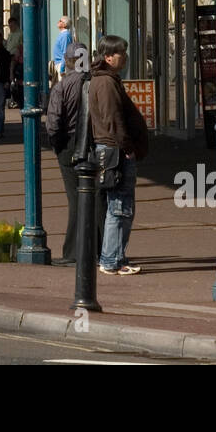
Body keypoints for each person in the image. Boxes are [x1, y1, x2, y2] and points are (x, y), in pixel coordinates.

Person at [89, 35, 150, 276]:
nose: (124, 56)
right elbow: (113, 119)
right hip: (114, 149)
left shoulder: (107, 80)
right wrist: (128, 147)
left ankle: (114, 257)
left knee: (120, 206)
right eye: (120, 53)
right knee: (120, 206)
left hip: (112, 147)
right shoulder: (106, 83)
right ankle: (112, 259)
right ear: (107, 57)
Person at [45, 39, 92, 266]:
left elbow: (53, 123)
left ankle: (74, 250)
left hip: (68, 144)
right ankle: (98, 246)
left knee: (75, 197)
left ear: (68, 61)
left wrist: (57, 144)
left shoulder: (62, 87)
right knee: (94, 196)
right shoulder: (94, 82)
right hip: (92, 144)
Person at [5, 16, 24, 107]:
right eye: (9, 26)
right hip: (9, 56)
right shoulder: (10, 34)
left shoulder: (20, 33)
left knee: (12, 73)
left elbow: (20, 47)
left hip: (16, 57)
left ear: (16, 24)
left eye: (12, 26)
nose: (10, 27)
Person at [51, 16, 73, 83]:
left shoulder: (65, 35)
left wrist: (62, 69)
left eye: (60, 21)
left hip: (62, 64)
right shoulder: (63, 34)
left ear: (64, 24)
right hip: (60, 64)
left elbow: (65, 52)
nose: (58, 22)